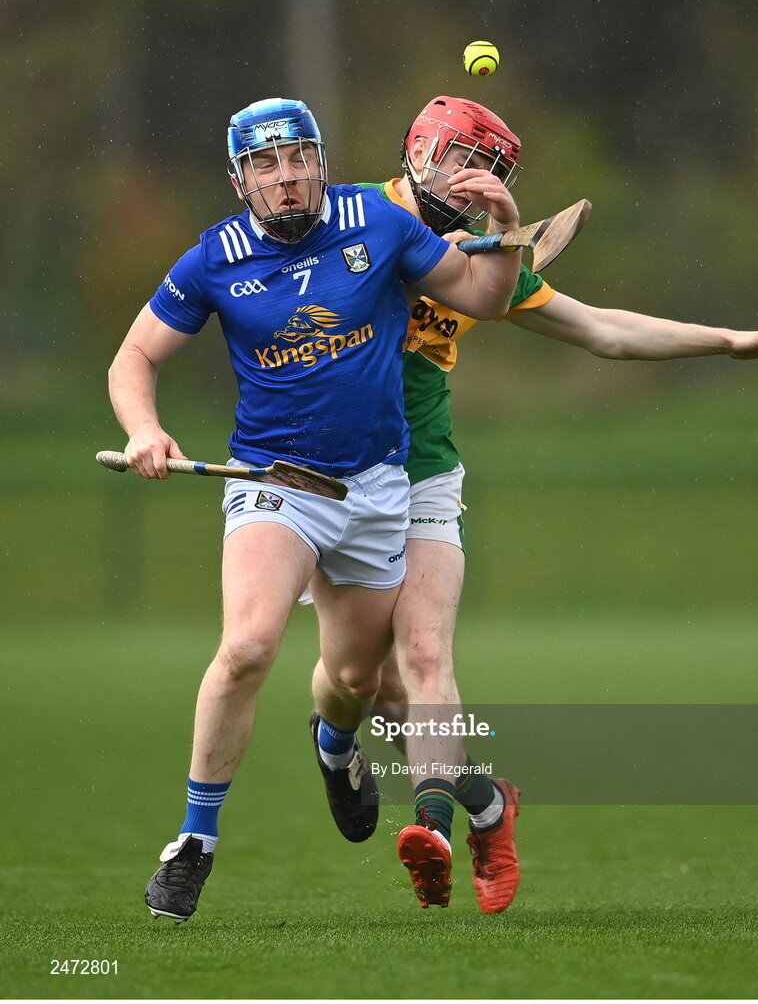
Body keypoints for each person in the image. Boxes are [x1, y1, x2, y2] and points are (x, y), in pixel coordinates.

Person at [308, 95, 758, 913]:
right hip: (333, 472)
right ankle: (410, 774)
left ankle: (432, 829)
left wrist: (729, 340)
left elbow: (604, 329)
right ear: (419, 150)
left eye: (490, 176)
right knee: (361, 682)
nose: (469, 183)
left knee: (426, 657)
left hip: (423, 469)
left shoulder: (481, 260)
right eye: (461, 162)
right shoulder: (350, 215)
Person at [106, 96, 525, 923]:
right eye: (265, 165)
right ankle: (194, 843)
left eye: (298, 158)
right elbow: (134, 356)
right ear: (240, 180)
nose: (286, 177)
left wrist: (507, 233)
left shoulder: (376, 222)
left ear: (320, 162)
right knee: (249, 643)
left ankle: (342, 750)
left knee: (357, 682)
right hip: (274, 483)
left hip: (374, 491)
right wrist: (145, 428)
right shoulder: (211, 259)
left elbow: (482, 297)